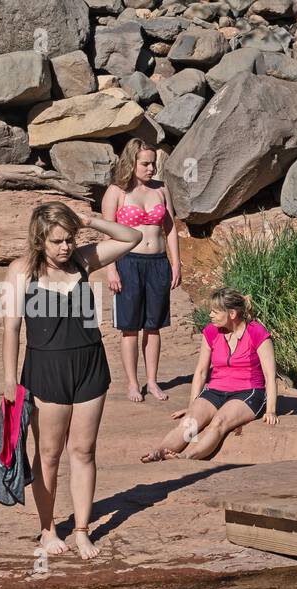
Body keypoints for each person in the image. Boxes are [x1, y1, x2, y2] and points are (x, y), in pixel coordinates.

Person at [1, 201, 142, 559]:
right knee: (47, 455)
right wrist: (9, 379)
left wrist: (90, 220)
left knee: (83, 451)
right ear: (39, 240)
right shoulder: (21, 272)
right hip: (45, 369)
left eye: (69, 238)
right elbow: (12, 329)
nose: (65, 247)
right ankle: (48, 529)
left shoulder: (83, 259)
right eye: (57, 241)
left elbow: (132, 236)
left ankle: (81, 530)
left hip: (89, 365)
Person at [141, 288, 278, 463]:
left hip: (247, 392)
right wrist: (192, 406)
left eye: (215, 311)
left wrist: (271, 410)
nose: (210, 315)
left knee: (219, 422)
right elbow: (201, 371)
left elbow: (269, 375)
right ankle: (159, 452)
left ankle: (187, 456)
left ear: (232, 313)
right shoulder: (212, 332)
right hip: (215, 390)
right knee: (189, 422)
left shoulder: (256, 332)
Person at [101, 139, 181, 404]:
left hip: (157, 261)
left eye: (153, 164)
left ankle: (153, 381)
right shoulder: (116, 191)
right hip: (128, 262)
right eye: (145, 164)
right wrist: (111, 269)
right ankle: (133, 384)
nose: (151, 169)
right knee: (130, 328)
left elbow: (169, 229)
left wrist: (175, 262)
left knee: (154, 326)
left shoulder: (161, 189)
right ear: (131, 163)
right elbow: (107, 233)